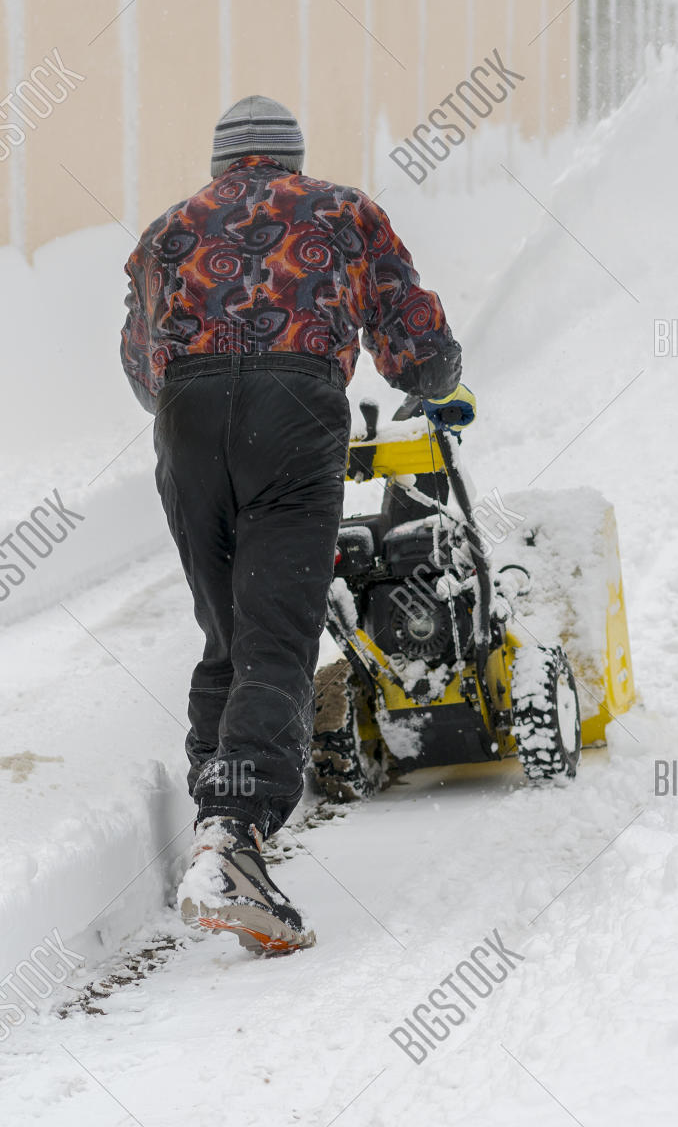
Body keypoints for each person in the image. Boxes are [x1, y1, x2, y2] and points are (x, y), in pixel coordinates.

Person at [120, 95, 474, 954]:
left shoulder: (169, 229)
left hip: (189, 423)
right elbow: (408, 327)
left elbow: (139, 359)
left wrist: (195, 408)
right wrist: (438, 385)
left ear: (220, 164)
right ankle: (233, 842)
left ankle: (220, 835)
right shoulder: (342, 210)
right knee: (278, 636)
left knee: (231, 635)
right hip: (295, 414)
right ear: (292, 158)